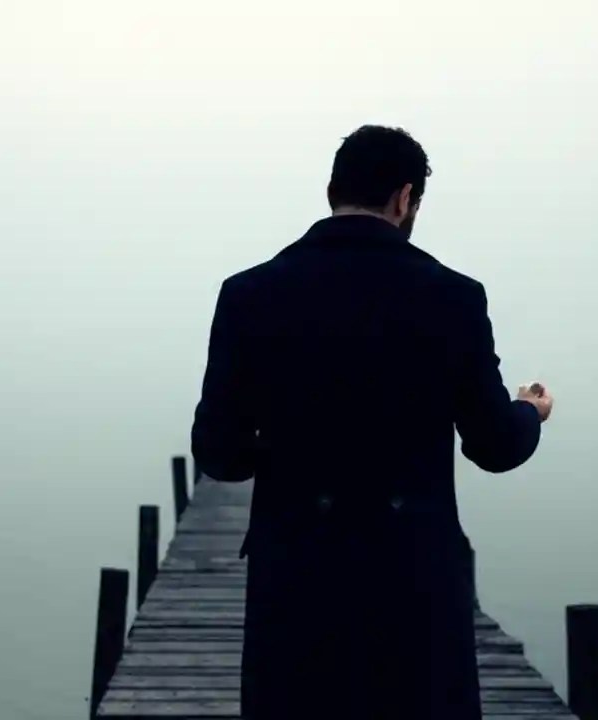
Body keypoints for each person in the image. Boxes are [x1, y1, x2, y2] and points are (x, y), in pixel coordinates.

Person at [191, 125, 553, 720]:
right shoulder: (453, 297)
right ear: (404, 199)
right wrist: (529, 411)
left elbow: (219, 453)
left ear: (331, 189)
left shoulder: (249, 294)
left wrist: (284, 453)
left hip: (296, 571)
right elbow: (493, 445)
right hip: (411, 574)